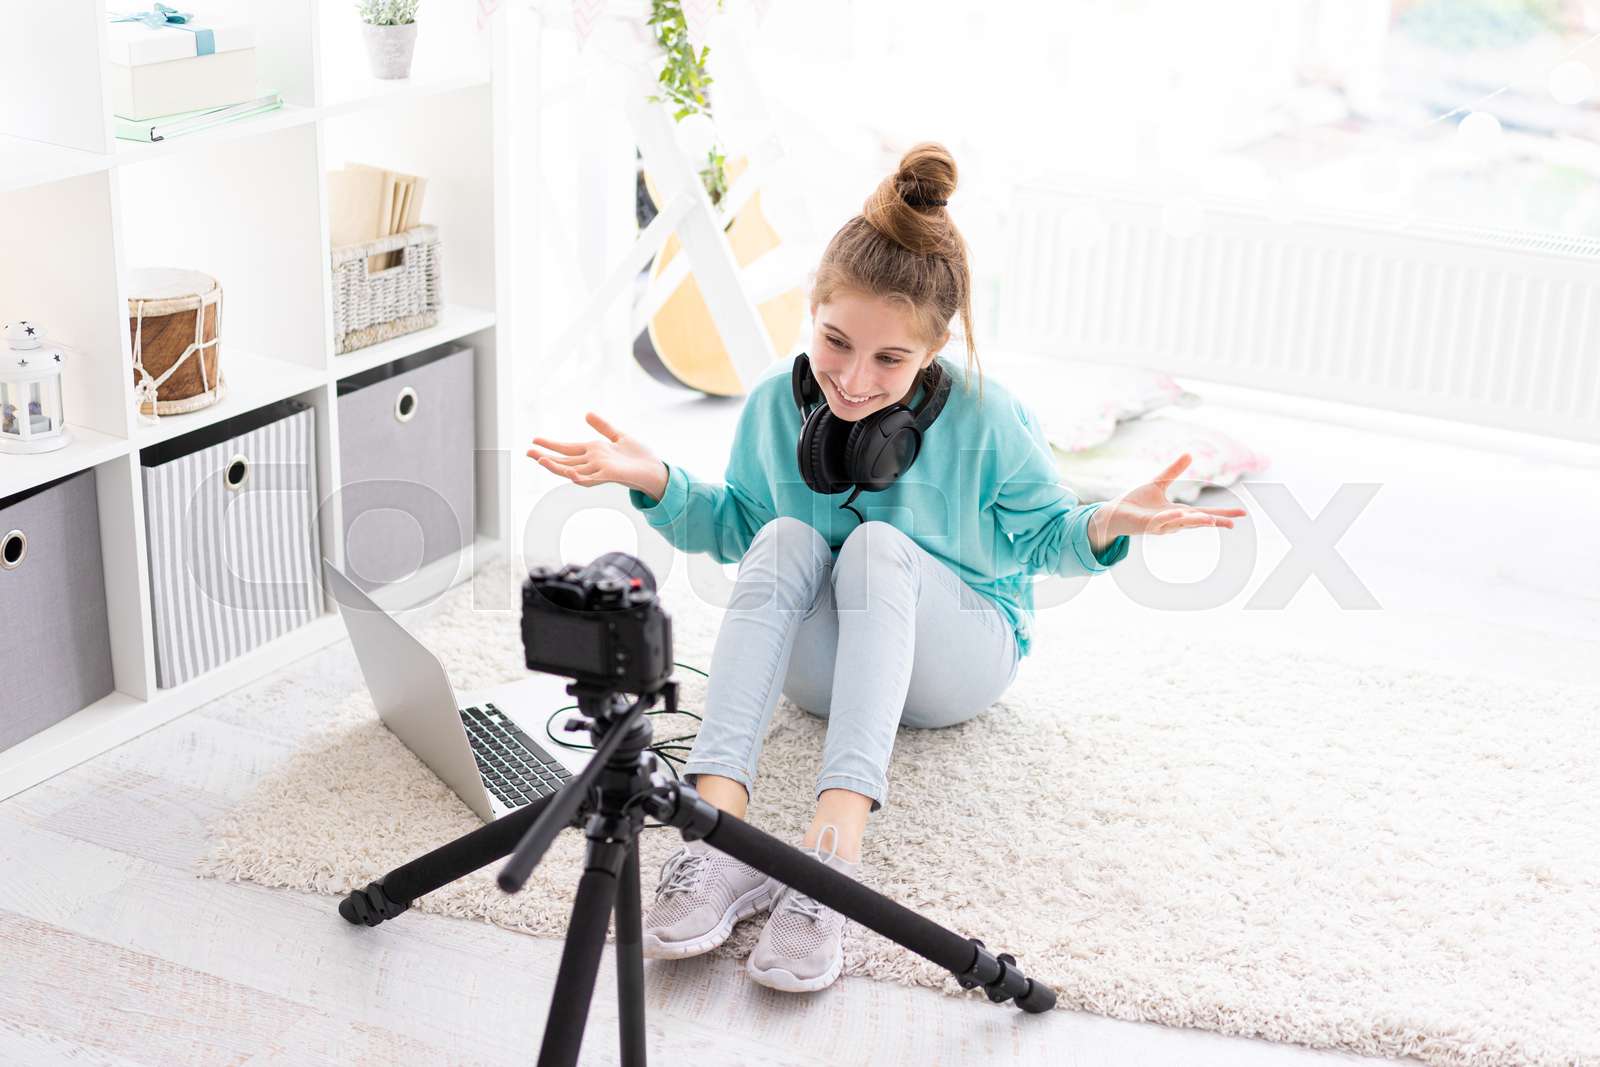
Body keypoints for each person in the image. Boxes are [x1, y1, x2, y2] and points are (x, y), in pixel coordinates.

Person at [526, 142, 1247, 994]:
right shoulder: (773, 405)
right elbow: (740, 531)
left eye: (890, 360)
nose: (854, 382)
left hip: (959, 658)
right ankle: (718, 838)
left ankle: (832, 862)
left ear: (933, 352)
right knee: (788, 539)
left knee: (876, 547)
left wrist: (1104, 523)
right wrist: (657, 479)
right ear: (812, 312)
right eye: (836, 342)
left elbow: (1046, 535)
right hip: (824, 670)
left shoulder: (990, 416)